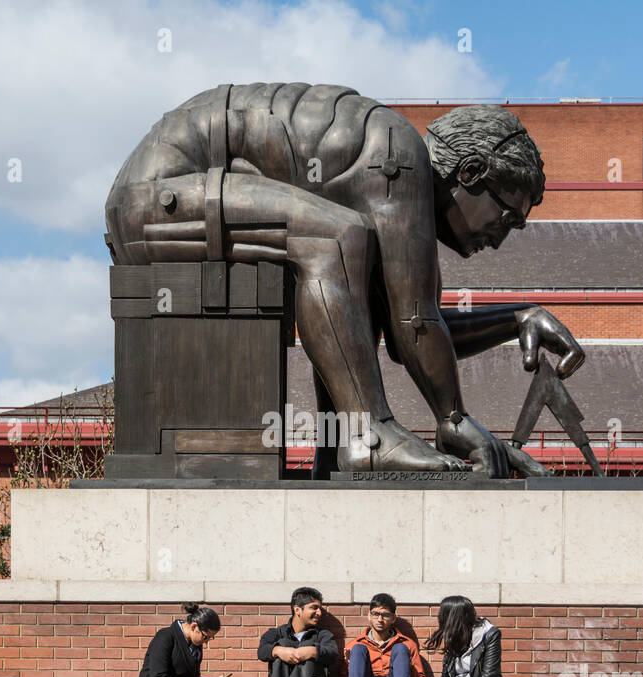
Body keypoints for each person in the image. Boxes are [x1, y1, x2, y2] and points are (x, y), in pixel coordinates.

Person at [105, 83, 585, 478]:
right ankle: (366, 437)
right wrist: (453, 420)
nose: (498, 239)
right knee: (335, 239)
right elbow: (415, 324)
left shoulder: (394, 170)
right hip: (156, 198)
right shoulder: (399, 155)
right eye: (506, 217)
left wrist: (517, 318)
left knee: (355, 266)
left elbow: (411, 326)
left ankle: (336, 451)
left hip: (179, 198)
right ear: (472, 172)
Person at [136, 602, 247, 677]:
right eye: (205, 637)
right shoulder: (164, 637)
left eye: (210, 638)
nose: (206, 642)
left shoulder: (195, 644)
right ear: (194, 627)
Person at [338, 593, 424, 677]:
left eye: (385, 615)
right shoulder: (353, 646)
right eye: (375, 614)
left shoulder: (407, 644)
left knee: (400, 649)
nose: (380, 619)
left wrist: (407, 667)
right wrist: (350, 668)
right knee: (359, 649)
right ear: (369, 616)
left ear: (393, 618)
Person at [258, 586, 339, 677]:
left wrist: (312, 651)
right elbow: (261, 651)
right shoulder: (277, 633)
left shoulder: (322, 635)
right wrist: (278, 651)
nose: (319, 612)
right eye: (314, 607)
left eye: (320, 608)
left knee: (310, 650)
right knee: (282, 645)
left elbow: (333, 653)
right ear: (297, 610)